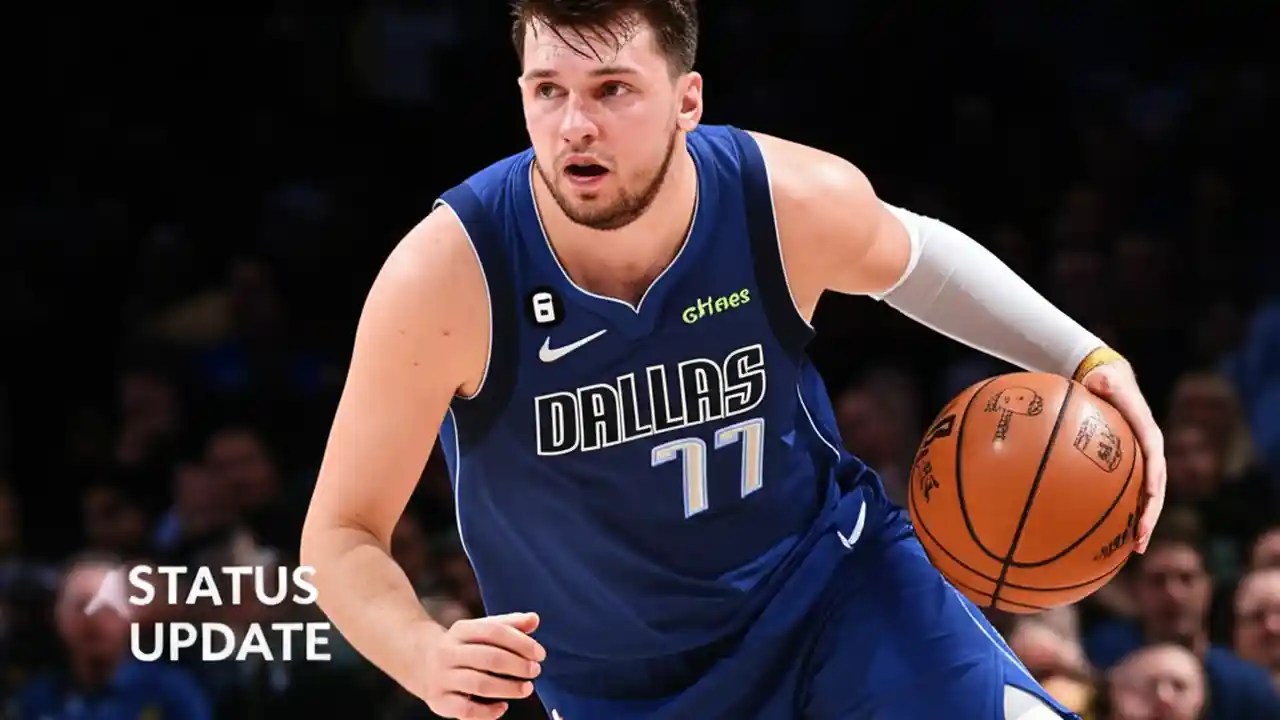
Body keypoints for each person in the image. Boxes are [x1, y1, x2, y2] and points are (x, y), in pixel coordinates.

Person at [300, 2, 1168, 718]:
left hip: (838, 593)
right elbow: (339, 533)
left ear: (687, 100)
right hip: (625, 689)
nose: (575, 126)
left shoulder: (782, 199)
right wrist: (419, 651)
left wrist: (1086, 357)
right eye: (548, 90)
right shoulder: (449, 277)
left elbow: (919, 258)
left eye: (613, 90)